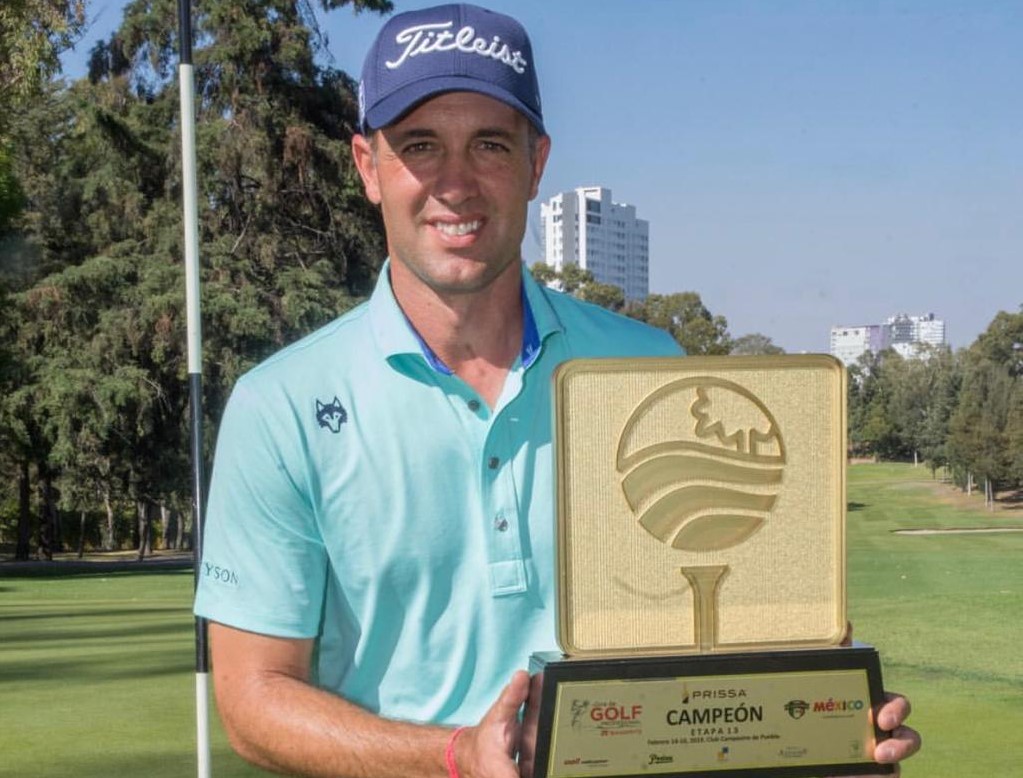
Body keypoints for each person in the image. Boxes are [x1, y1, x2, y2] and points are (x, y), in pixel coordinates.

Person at [194, 4, 921, 777]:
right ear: (367, 168)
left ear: (536, 162)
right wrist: (451, 758)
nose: (455, 182)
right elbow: (253, 702)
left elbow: (728, 628)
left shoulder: (650, 365)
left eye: (490, 145)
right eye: (418, 146)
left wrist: (825, 718)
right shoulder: (281, 405)